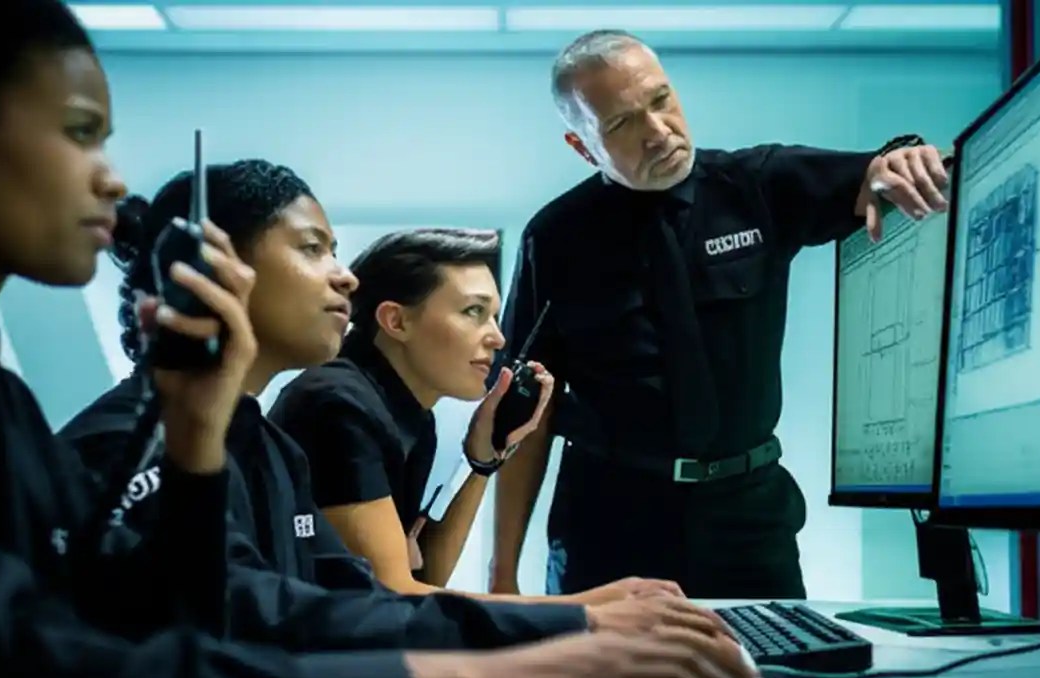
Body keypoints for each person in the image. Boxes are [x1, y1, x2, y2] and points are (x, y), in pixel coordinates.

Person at [0, 5, 759, 678]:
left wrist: (197, 448)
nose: (111, 178)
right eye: (81, 133)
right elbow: (22, 659)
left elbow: (213, 610)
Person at [60, 159, 706, 650]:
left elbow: (367, 601)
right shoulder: (128, 450)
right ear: (212, 267)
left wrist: (586, 613)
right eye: (313, 249)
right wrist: (582, 621)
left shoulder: (269, 446)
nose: (344, 276)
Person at [489, 29, 951, 601]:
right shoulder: (555, 239)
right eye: (621, 124)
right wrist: (501, 571)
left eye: (660, 100)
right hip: (608, 524)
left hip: (748, 520)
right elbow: (525, 414)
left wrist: (898, 160)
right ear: (582, 146)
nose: (657, 132)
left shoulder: (756, 185)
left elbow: (871, 178)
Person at [268, 228, 681, 606]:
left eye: (495, 315)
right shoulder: (340, 407)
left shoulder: (408, 416)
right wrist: (593, 607)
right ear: (396, 320)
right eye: (473, 312)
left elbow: (426, 574)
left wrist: (482, 460)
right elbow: (396, 599)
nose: (497, 337)